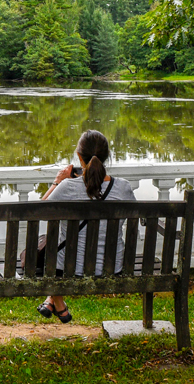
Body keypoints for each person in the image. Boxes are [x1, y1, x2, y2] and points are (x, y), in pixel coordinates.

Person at [35, 129, 136, 323]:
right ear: (107, 156)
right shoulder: (123, 187)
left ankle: (56, 302)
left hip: (68, 268)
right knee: (54, 249)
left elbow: (37, 212)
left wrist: (58, 182)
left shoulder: (67, 187)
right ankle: (55, 303)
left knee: (46, 249)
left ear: (79, 157)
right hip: (112, 266)